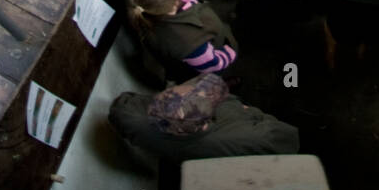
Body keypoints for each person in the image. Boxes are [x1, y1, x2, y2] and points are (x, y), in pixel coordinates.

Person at [109, 75, 299, 163]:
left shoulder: (132, 118)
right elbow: (289, 139)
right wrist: (248, 111)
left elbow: (124, 105)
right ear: (204, 122)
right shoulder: (255, 137)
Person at [119, 0, 236, 85]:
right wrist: (229, 52)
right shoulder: (188, 43)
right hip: (204, 65)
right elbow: (212, 65)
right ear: (175, 3)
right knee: (211, 80)